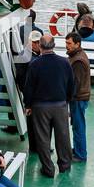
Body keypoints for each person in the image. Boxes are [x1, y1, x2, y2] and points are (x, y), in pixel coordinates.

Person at [23, 34, 74, 178]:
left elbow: (29, 87)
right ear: (54, 45)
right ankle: (64, 165)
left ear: (39, 45)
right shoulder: (64, 63)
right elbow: (71, 84)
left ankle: (48, 169)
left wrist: (28, 105)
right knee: (63, 136)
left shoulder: (34, 64)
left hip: (40, 107)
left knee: (43, 139)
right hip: (60, 105)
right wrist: (66, 101)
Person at [65, 31, 91, 162]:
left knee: (78, 126)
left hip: (78, 98)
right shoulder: (77, 56)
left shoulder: (78, 61)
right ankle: (78, 150)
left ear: (77, 44)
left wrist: (67, 98)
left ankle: (80, 155)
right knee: (77, 125)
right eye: (66, 43)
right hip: (79, 97)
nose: (67, 46)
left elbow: (76, 83)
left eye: (69, 43)